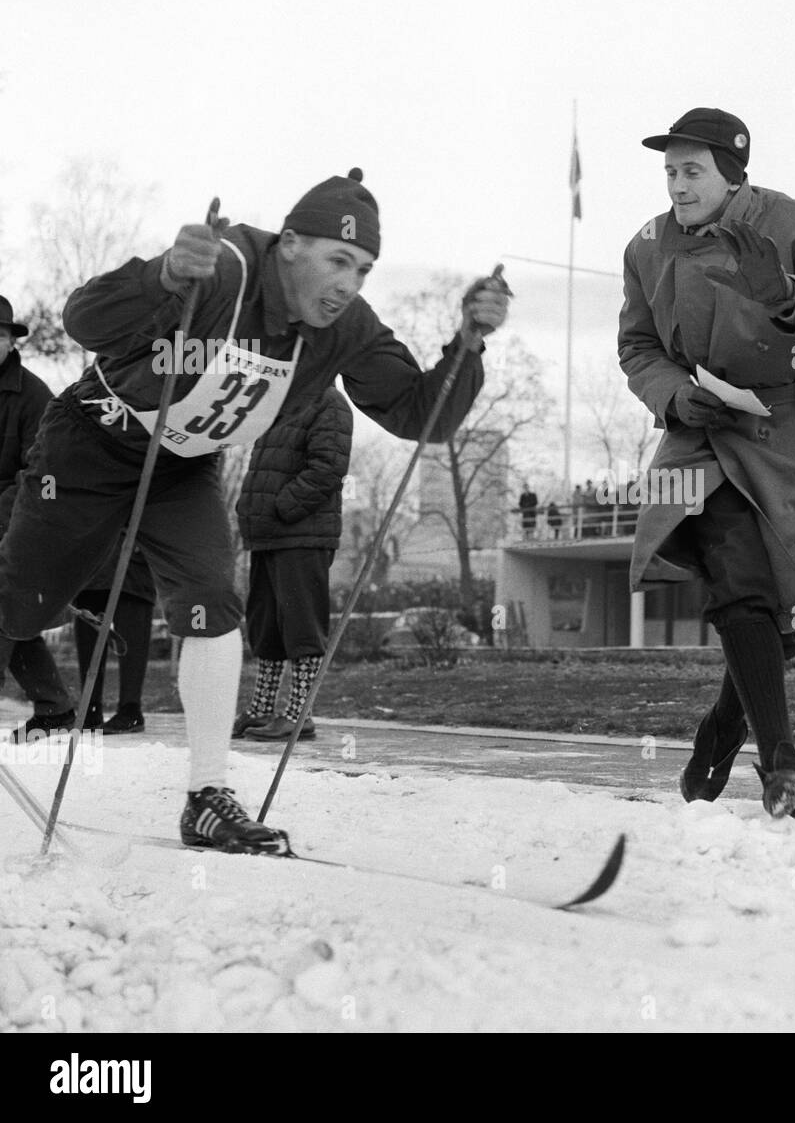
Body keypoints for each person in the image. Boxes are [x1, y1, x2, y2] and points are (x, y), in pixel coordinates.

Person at [0, 169, 508, 851]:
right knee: (22, 611)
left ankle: (208, 797)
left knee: (213, 601)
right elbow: (82, 320)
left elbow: (423, 415)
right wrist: (164, 277)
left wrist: (468, 343)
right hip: (95, 442)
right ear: (290, 245)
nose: (348, 285)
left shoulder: (346, 327)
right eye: (337, 261)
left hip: (180, 470)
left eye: (362, 269)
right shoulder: (227, 267)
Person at [619, 109, 795, 817]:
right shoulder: (646, 247)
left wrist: (790, 294)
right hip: (703, 428)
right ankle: (782, 767)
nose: (677, 186)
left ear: (733, 174)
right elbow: (638, 347)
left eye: (692, 171)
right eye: (670, 172)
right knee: (736, 574)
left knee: (781, 615)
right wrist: (675, 395)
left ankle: (721, 727)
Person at [232, 385, 352, 742]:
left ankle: (300, 714)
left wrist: (282, 508)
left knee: (303, 625)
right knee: (266, 624)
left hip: (302, 534)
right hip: (269, 535)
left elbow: (328, 467)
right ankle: (263, 707)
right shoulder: (281, 401)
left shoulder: (327, 401)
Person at [0, 294, 78, 741]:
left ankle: (54, 709)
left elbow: (39, 469)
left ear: (12, 342)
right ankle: (53, 709)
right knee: (10, 613)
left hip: (24, 513)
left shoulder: (34, 396)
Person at [73, 536, 157, 734]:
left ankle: (130, 708)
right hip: (93, 554)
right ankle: (90, 708)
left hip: (132, 556)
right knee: (88, 628)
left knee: (132, 626)